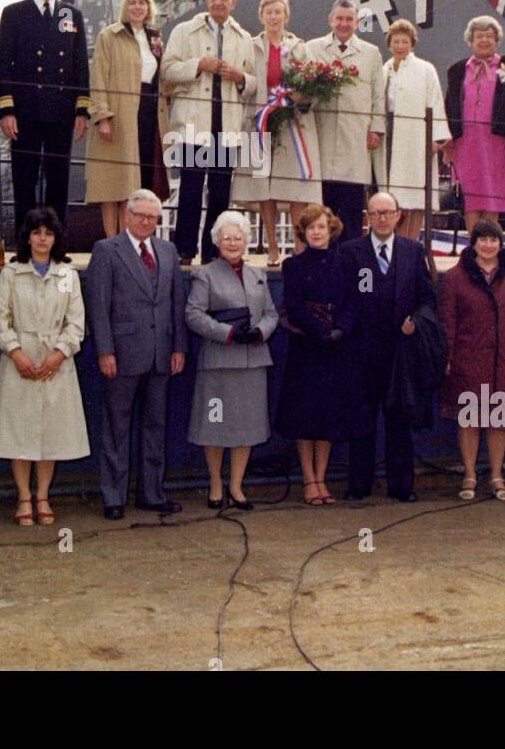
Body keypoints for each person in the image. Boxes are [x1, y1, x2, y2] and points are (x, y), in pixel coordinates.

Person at [0, 207, 90, 526]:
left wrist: (58, 353)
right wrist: (15, 353)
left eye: (49, 233)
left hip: (56, 362)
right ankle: (23, 497)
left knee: (51, 432)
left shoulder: (68, 276)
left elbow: (76, 323)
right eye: (37, 233)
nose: (42, 239)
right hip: (20, 362)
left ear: (56, 239)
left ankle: (43, 495)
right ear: (27, 237)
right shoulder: (12, 274)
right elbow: (0, 320)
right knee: (20, 431)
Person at [84, 188, 188, 519]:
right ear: (127, 216)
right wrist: (105, 351)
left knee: (155, 425)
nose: (145, 222)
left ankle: (152, 494)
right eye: (140, 215)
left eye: (152, 217)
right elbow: (98, 306)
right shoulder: (106, 250)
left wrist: (179, 347)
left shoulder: (168, 251)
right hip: (122, 353)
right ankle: (114, 497)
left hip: (161, 354)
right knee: (117, 426)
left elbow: (177, 303)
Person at [337, 191, 435, 501]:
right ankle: (359, 485)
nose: (382, 218)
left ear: (398, 215)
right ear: (367, 217)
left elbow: (427, 299)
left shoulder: (413, 251)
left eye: (387, 212)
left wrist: (416, 322)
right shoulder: (350, 252)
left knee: (399, 420)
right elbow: (342, 299)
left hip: (400, 353)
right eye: (376, 212)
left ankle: (401, 486)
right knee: (362, 420)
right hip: (362, 352)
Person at [273, 204, 369, 505]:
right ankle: (308, 480)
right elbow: (295, 305)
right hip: (306, 347)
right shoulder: (293, 265)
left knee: (327, 416)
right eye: (311, 227)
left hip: (337, 348)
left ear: (331, 230)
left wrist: (340, 329)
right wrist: (319, 330)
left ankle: (323, 477)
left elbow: (354, 303)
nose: (316, 232)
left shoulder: (347, 263)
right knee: (305, 416)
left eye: (321, 227)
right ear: (304, 232)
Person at [184, 210, 278, 511]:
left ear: (247, 241)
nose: (233, 243)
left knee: (247, 427)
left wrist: (260, 332)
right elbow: (193, 314)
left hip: (252, 364)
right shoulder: (205, 274)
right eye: (227, 238)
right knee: (215, 425)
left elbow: (271, 314)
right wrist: (227, 333)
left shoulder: (258, 276)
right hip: (219, 365)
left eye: (238, 238)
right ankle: (215, 484)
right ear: (217, 241)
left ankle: (237, 487)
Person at [438, 219, 505, 501]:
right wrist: (447, 355)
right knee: (469, 418)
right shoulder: (456, 277)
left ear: (500, 242)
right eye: (482, 239)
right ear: (474, 243)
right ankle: (469, 475)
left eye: (493, 239)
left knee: (499, 419)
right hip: (469, 358)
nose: (488, 244)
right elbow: (448, 321)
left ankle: (497, 475)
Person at [161, 0, 256, 263]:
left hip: (226, 126)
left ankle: (213, 254)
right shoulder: (184, 31)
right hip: (193, 124)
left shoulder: (243, 38)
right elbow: (167, 71)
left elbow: (252, 84)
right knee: (190, 189)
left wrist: (239, 78)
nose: (217, 2)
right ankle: (184, 251)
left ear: (233, 3)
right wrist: (198, 65)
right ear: (207, 0)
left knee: (220, 193)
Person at [0, 0, 91, 227]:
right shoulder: (14, 14)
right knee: (24, 177)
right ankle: (26, 243)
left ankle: (55, 241)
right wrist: (7, 110)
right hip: (25, 111)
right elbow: (5, 66)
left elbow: (79, 65)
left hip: (60, 111)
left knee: (58, 178)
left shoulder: (70, 14)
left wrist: (81, 110)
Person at [231, 0, 322, 266]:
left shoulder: (300, 48)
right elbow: (242, 81)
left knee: (296, 190)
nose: (273, 17)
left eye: (278, 12)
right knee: (264, 188)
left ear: (286, 16)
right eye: (268, 12)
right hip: (259, 121)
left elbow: (311, 85)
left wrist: (299, 95)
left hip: (292, 124)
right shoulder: (248, 46)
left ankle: (299, 248)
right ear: (261, 16)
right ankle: (272, 248)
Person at [85, 0, 169, 238]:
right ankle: (114, 240)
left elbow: (162, 76)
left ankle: (134, 239)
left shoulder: (154, 37)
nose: (137, 7)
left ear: (148, 7)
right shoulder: (109, 35)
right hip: (119, 113)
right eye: (132, 2)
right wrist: (102, 116)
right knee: (114, 183)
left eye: (142, 3)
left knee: (139, 178)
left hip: (147, 111)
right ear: (125, 7)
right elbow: (98, 76)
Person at [307, 0, 385, 242]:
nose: (343, 24)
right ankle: (323, 251)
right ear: (331, 20)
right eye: (339, 18)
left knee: (352, 200)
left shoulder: (371, 53)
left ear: (358, 23)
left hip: (356, 135)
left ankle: (350, 254)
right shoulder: (312, 48)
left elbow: (378, 94)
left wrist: (377, 128)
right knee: (323, 197)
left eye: (349, 19)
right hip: (322, 131)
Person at [373, 18, 450, 239]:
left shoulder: (425, 69)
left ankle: (412, 243)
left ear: (412, 44)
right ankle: (392, 243)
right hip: (390, 139)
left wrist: (436, 138)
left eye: (404, 41)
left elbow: (435, 101)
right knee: (391, 194)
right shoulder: (384, 69)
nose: (400, 46)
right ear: (389, 44)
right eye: (395, 41)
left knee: (415, 194)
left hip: (416, 139)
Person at [443, 15, 505, 233]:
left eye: (489, 36)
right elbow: (449, 106)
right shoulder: (457, 70)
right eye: (479, 36)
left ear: (497, 40)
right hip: (465, 143)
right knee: (470, 198)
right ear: (471, 40)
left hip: (498, 142)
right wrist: (448, 141)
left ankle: (490, 245)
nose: (484, 40)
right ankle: (474, 247)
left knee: (493, 197)